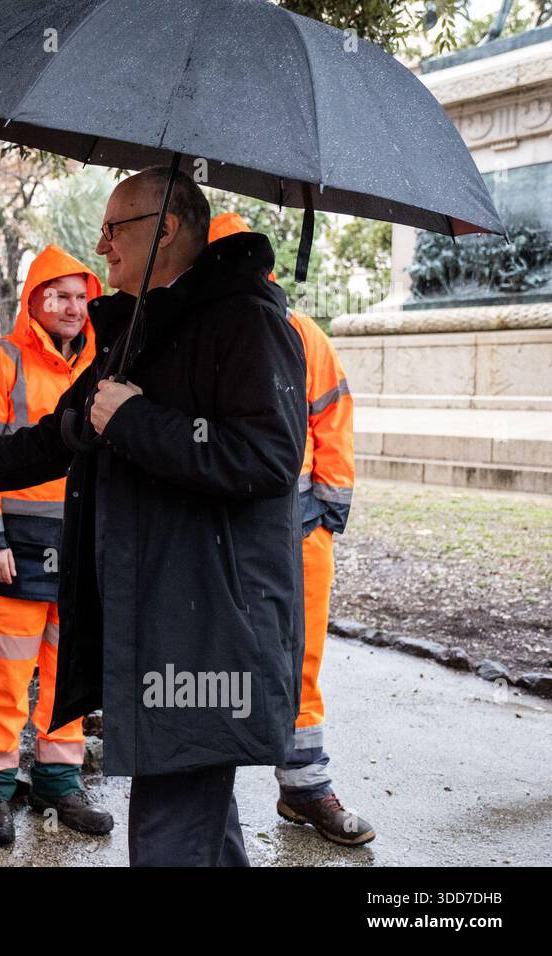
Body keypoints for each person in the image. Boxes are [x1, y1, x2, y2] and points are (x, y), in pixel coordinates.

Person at [0, 168, 308, 866]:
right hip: (166, 613)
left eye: (116, 228)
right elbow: (56, 437)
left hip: (213, 629)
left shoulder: (246, 322)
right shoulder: (143, 325)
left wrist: (137, 420)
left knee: (170, 835)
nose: (102, 244)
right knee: (197, 824)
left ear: (166, 229)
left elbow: (265, 458)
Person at [209, 212, 373, 846]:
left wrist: (326, 516)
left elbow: (332, 421)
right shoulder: (194, 334)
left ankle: (304, 786)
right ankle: (206, 798)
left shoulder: (302, 334)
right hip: (221, 530)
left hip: (298, 532)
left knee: (298, 661)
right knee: (212, 659)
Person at [0, 245, 114, 845]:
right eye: (60, 296)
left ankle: (59, 783)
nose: (73, 308)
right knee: (4, 675)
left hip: (79, 552)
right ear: (35, 301)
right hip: (13, 550)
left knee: (67, 673)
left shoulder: (106, 363)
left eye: (81, 297)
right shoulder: (1, 361)